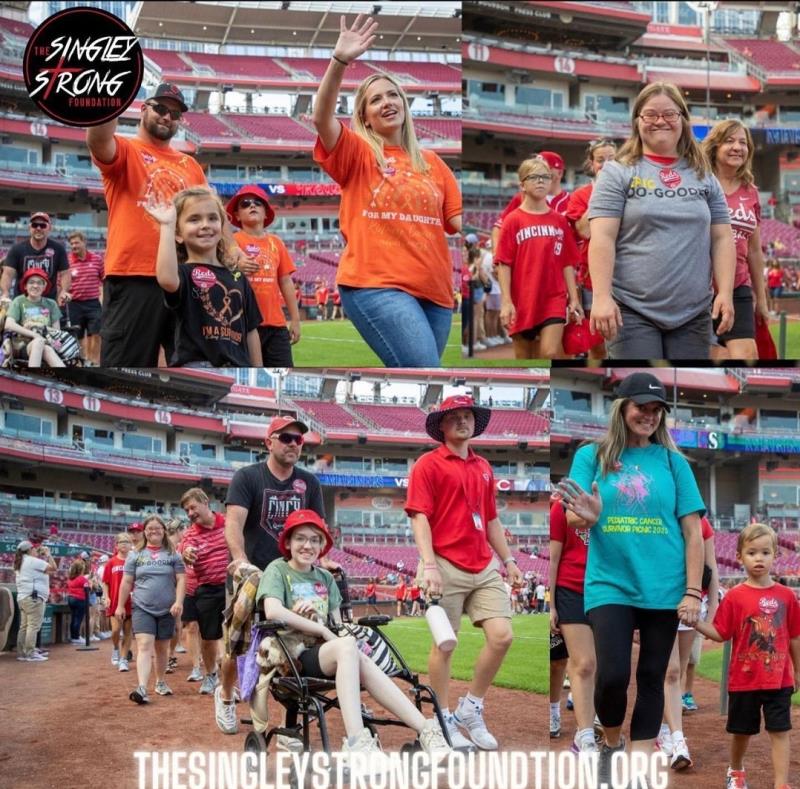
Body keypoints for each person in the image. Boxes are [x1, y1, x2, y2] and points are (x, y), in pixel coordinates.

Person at [555, 371, 704, 785]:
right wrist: (587, 515)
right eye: (642, 407)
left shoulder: (674, 463)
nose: (649, 415)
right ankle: (612, 742)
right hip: (610, 584)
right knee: (613, 676)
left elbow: (693, 533)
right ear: (622, 408)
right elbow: (573, 513)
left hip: (664, 586)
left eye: (657, 409)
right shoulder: (592, 455)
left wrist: (693, 591)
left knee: (653, 676)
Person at [312, 14, 462, 367]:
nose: (387, 102)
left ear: (405, 105)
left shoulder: (433, 162)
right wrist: (339, 61)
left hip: (437, 293)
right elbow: (321, 119)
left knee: (423, 372)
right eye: (376, 99)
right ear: (365, 116)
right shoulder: (358, 153)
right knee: (426, 370)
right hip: (376, 285)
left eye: (393, 95)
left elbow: (456, 223)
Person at [259, 509, 451, 762]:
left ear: (322, 546)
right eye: (300, 538)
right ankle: (359, 741)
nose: (308, 545)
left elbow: (337, 625)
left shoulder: (325, 577)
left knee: (351, 649)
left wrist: (322, 624)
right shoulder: (277, 569)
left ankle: (425, 731)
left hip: (324, 651)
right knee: (348, 647)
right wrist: (318, 627)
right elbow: (272, 610)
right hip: (292, 655)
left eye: (315, 540)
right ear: (287, 543)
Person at [86, 83, 252, 366]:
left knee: (194, 364)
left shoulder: (190, 165)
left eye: (175, 114)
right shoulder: (127, 148)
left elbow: (213, 212)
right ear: (143, 109)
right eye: (161, 108)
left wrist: (232, 248)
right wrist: (109, 93)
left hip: (186, 278)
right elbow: (98, 139)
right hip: (135, 276)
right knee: (126, 366)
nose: (167, 117)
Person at [406, 395, 522, 750]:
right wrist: (428, 564)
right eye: (454, 416)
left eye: (468, 415)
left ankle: (470, 708)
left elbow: (491, 519)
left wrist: (509, 560)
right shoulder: (427, 465)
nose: (462, 421)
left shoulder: (483, 466)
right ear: (441, 425)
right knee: (445, 643)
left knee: (502, 636)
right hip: (443, 563)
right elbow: (419, 517)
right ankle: (443, 719)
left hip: (483, 563)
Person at [587, 81, 735, 359]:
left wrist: (725, 292)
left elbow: (722, 238)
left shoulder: (704, 175)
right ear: (637, 121)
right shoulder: (617, 172)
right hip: (631, 310)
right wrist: (601, 297)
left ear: (683, 119)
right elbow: (602, 238)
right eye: (650, 114)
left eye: (669, 114)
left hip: (693, 314)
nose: (660, 121)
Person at [221, 414, 336, 734]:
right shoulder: (247, 477)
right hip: (254, 573)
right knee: (237, 645)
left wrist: (325, 561)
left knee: (300, 637)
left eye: (298, 439)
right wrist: (240, 560)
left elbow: (317, 529)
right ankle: (227, 696)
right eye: (286, 438)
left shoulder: (309, 483)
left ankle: (296, 703)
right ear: (268, 442)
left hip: (293, 577)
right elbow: (234, 523)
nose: (293, 444)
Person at [693, 523, 800, 789]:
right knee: (741, 732)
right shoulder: (734, 597)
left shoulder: (787, 596)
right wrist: (695, 622)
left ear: (776, 555)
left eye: (765, 552)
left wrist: (798, 670)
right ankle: (736, 769)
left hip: (779, 680)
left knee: (780, 731)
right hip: (744, 681)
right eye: (752, 553)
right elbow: (720, 633)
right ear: (739, 556)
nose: (759, 558)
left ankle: (781, 783)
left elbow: (795, 637)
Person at [145, 186, 263, 367]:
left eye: (213, 218)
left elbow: (251, 331)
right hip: (197, 365)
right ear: (178, 234)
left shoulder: (238, 276)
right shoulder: (183, 273)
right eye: (194, 219)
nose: (205, 225)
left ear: (221, 228)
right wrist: (167, 226)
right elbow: (166, 279)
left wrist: (258, 369)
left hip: (238, 367)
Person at [494, 157, 583, 360]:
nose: (541, 181)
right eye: (534, 177)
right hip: (522, 299)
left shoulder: (559, 221)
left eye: (545, 177)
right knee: (525, 358)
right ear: (522, 185)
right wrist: (506, 302)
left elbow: (567, 263)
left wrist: (574, 298)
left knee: (549, 353)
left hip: (553, 298)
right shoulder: (512, 220)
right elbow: (504, 264)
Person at [701, 120, 769, 361]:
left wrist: (761, 300)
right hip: (698, 286)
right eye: (729, 141)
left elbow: (754, 251)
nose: (737, 147)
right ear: (715, 146)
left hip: (738, 285)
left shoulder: (751, 191)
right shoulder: (699, 183)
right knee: (712, 354)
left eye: (743, 142)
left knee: (747, 354)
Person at [657, 514, 719, 770]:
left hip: (693, 603)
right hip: (662, 599)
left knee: (679, 670)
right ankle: (676, 739)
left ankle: (665, 728)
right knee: (670, 671)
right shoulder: (660, 514)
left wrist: (712, 609)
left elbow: (711, 566)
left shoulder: (702, 523)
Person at [227, 185, 301, 364]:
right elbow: (224, 277)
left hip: (276, 325)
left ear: (266, 213)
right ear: (237, 215)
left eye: (258, 203)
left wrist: (295, 319)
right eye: (245, 203)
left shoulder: (276, 243)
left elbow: (285, 281)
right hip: (243, 324)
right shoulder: (232, 242)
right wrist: (235, 267)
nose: (252, 205)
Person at [116, 514, 185, 704]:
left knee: (162, 648)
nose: (154, 531)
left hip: (167, 608)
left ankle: (160, 682)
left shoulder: (173, 554)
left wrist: (179, 602)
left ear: (164, 531)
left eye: (157, 528)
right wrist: (120, 605)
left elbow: (181, 579)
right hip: (142, 607)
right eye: (149, 529)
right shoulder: (135, 555)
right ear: (144, 532)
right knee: (144, 645)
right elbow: (126, 581)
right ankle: (142, 687)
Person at [565, 139, 617, 360]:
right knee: (597, 344)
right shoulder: (581, 195)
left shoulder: (632, 190)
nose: (606, 165)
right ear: (592, 163)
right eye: (600, 160)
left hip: (629, 278)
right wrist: (601, 191)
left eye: (612, 159)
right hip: (592, 279)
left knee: (629, 342)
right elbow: (584, 231)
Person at [178, 488, 229, 696]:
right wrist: (187, 553)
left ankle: (236, 679)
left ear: (205, 502)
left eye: (193, 507)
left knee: (236, 637)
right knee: (208, 638)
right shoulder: (190, 534)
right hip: (207, 590)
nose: (190, 513)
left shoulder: (228, 523)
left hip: (233, 587)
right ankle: (210, 674)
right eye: (186, 511)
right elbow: (186, 550)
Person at [1, 212, 70, 304]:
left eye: (43, 225)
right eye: (35, 225)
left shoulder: (58, 249)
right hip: (22, 302)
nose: (38, 228)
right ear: (29, 228)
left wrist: (64, 291)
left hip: (48, 303)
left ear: (49, 228)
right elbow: (8, 274)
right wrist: (5, 293)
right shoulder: (17, 249)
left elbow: (65, 273)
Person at [4, 268, 66, 368]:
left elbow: (57, 332)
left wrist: (39, 326)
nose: (35, 286)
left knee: (46, 348)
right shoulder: (19, 301)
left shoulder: (51, 304)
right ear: (25, 286)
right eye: (31, 282)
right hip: (23, 345)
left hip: (48, 344)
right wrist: (35, 335)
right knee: (39, 342)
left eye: (39, 283)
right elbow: (8, 324)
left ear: (44, 286)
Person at [65, 231, 104, 365]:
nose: (73, 246)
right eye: (71, 244)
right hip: (74, 304)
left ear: (84, 242)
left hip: (93, 303)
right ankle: (82, 361)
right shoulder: (67, 261)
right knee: (78, 335)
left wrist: (104, 298)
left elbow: (104, 279)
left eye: (76, 242)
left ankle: (94, 362)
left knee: (96, 334)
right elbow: (61, 282)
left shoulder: (97, 259)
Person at [14, 540, 56, 662]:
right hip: (33, 598)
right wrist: (48, 554)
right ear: (29, 550)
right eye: (33, 548)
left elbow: (45, 570)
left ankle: (22, 653)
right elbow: (53, 568)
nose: (35, 550)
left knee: (24, 626)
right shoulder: (32, 561)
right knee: (33, 626)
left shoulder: (20, 561)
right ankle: (30, 653)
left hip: (23, 597)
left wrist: (40, 555)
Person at [102, 533, 133, 671]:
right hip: (115, 600)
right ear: (116, 545)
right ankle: (115, 648)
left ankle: (123, 659)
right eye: (121, 542)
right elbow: (105, 582)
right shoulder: (111, 562)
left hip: (131, 601)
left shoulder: (134, 561)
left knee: (128, 631)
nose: (124, 544)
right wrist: (106, 597)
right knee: (115, 630)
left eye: (127, 541)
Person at [66, 558, 90, 644]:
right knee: (78, 619)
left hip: (71, 598)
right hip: (79, 599)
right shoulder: (82, 579)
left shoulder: (70, 578)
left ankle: (74, 636)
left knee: (73, 618)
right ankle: (76, 637)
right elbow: (88, 588)